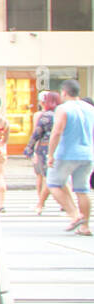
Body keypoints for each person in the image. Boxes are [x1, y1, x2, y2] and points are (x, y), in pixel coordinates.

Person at [46, 79, 94, 236]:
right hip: (87, 153)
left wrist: (51, 154)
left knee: (53, 184)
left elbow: (57, 131)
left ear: (64, 92)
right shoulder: (90, 108)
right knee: (82, 189)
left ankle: (75, 215)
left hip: (67, 153)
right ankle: (85, 226)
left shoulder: (63, 109)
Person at [24, 91, 63, 216]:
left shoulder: (44, 116)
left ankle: (40, 203)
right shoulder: (62, 114)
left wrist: (30, 149)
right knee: (56, 177)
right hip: (61, 148)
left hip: (45, 148)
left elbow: (37, 132)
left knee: (45, 176)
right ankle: (61, 204)